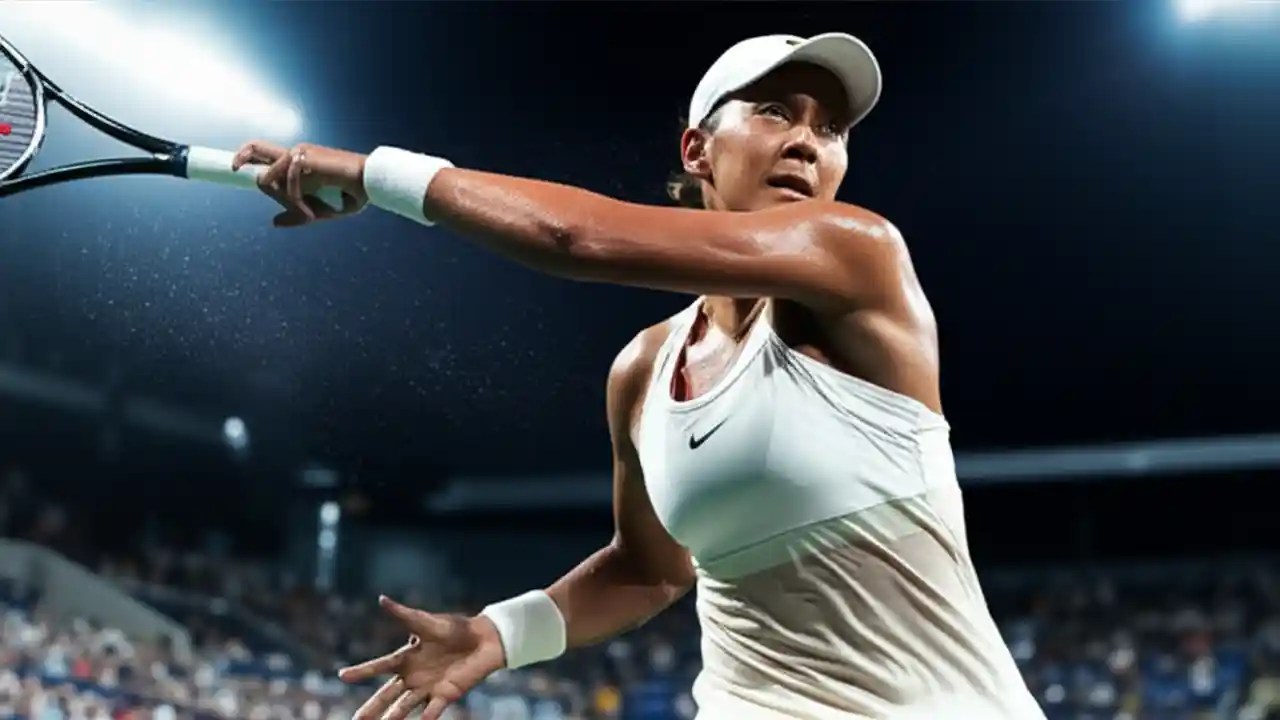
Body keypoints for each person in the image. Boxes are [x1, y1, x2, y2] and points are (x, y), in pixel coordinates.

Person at [233, 31, 1046, 720]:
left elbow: (576, 240)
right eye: (774, 111)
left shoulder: (857, 253)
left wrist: (376, 173)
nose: (807, 140)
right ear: (696, 147)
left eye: (829, 128)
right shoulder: (644, 371)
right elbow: (651, 568)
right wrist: (496, 635)